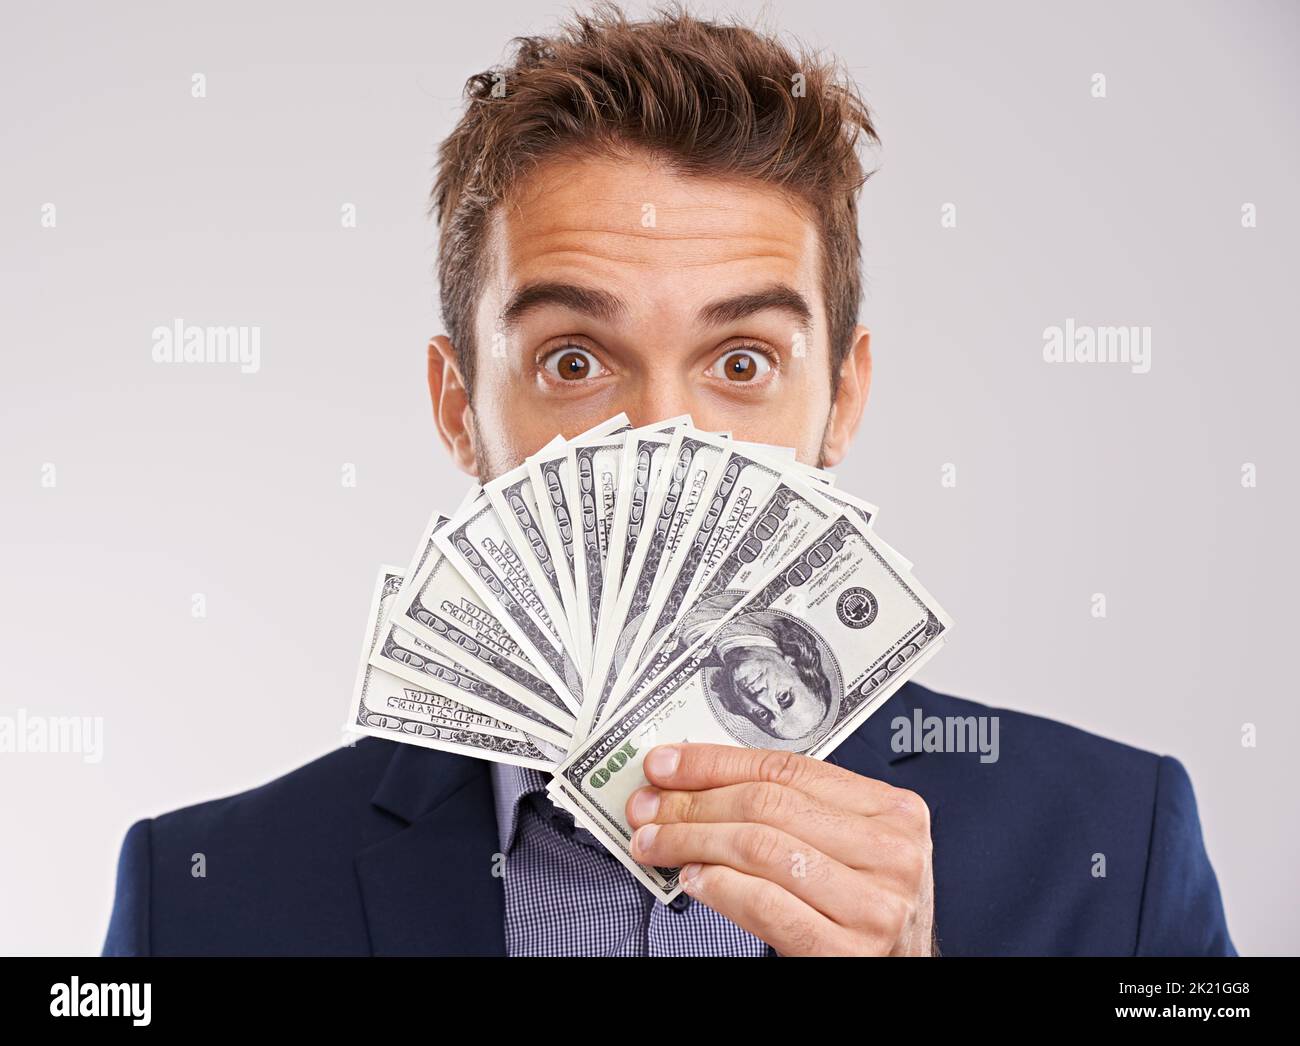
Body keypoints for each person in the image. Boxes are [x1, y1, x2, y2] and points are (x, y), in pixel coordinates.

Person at [103, 3, 1234, 956]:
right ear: (459, 408)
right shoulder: (203, 895)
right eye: (575, 360)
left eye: (742, 362)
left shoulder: (1113, 851)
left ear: (842, 398)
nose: (662, 441)